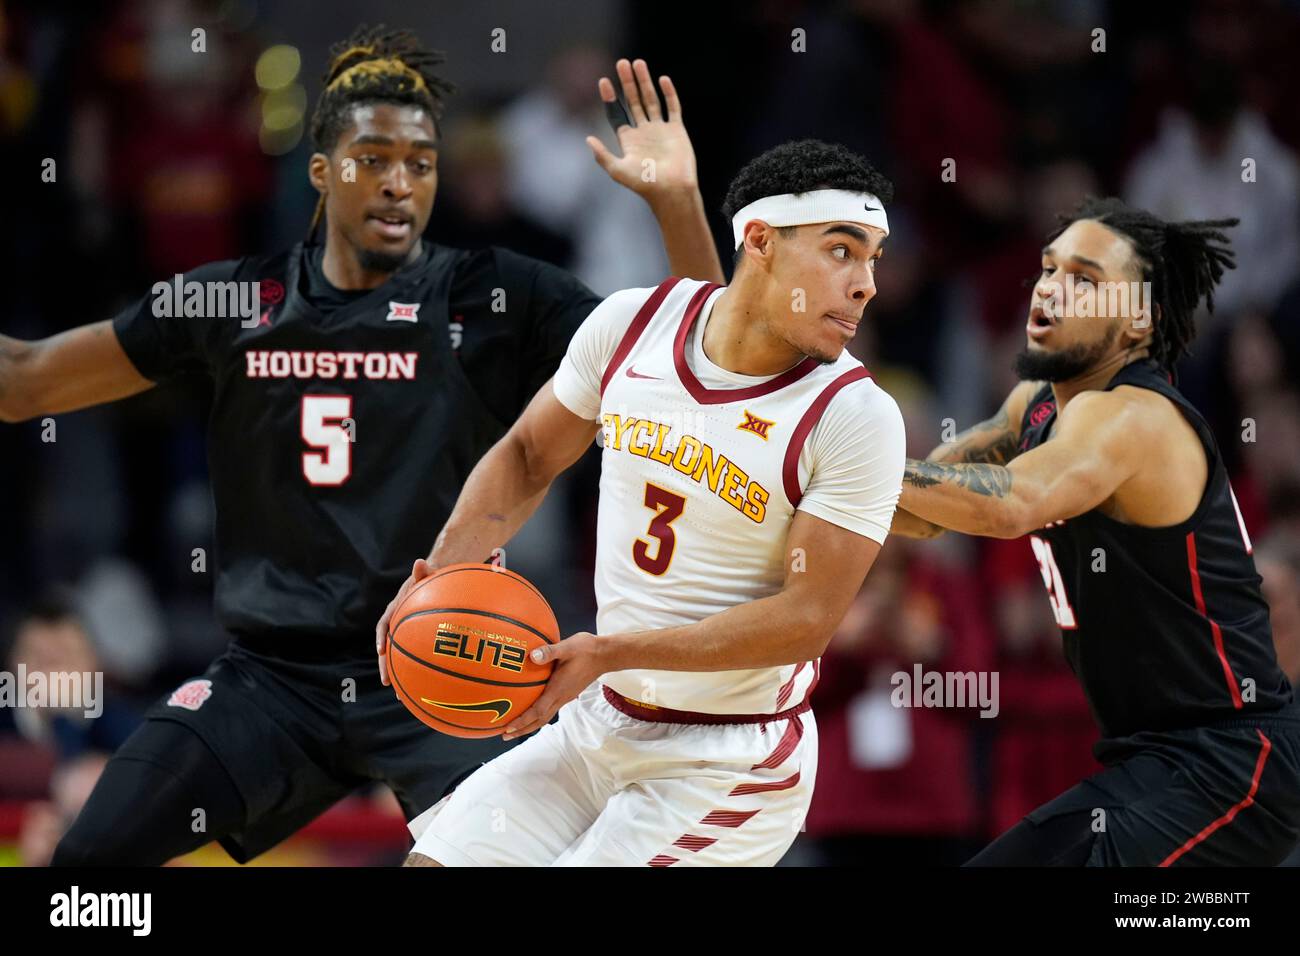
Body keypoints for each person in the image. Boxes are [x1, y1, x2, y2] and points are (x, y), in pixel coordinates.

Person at [0, 26, 719, 865]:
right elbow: (28, 383)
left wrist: (675, 203)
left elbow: (692, 359)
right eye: (373, 158)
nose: (399, 183)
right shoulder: (234, 300)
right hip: (267, 677)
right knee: (85, 866)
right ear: (320, 172)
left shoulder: (491, 295)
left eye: (420, 162)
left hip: (444, 669)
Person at [381, 139, 907, 867]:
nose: (866, 284)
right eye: (843, 250)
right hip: (601, 721)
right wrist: (437, 578)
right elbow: (530, 455)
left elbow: (805, 621)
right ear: (760, 242)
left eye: (874, 258)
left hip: (727, 761)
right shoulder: (631, 324)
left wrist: (608, 653)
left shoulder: (856, 416)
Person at [892, 197, 1300, 866]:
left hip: (1232, 764)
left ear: (1140, 317)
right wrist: (782, 479)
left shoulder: (1134, 418)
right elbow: (922, 505)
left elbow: (1013, 500)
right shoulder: (1035, 407)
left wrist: (826, 457)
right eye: (1048, 269)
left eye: (1083, 278)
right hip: (1148, 766)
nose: (1050, 287)